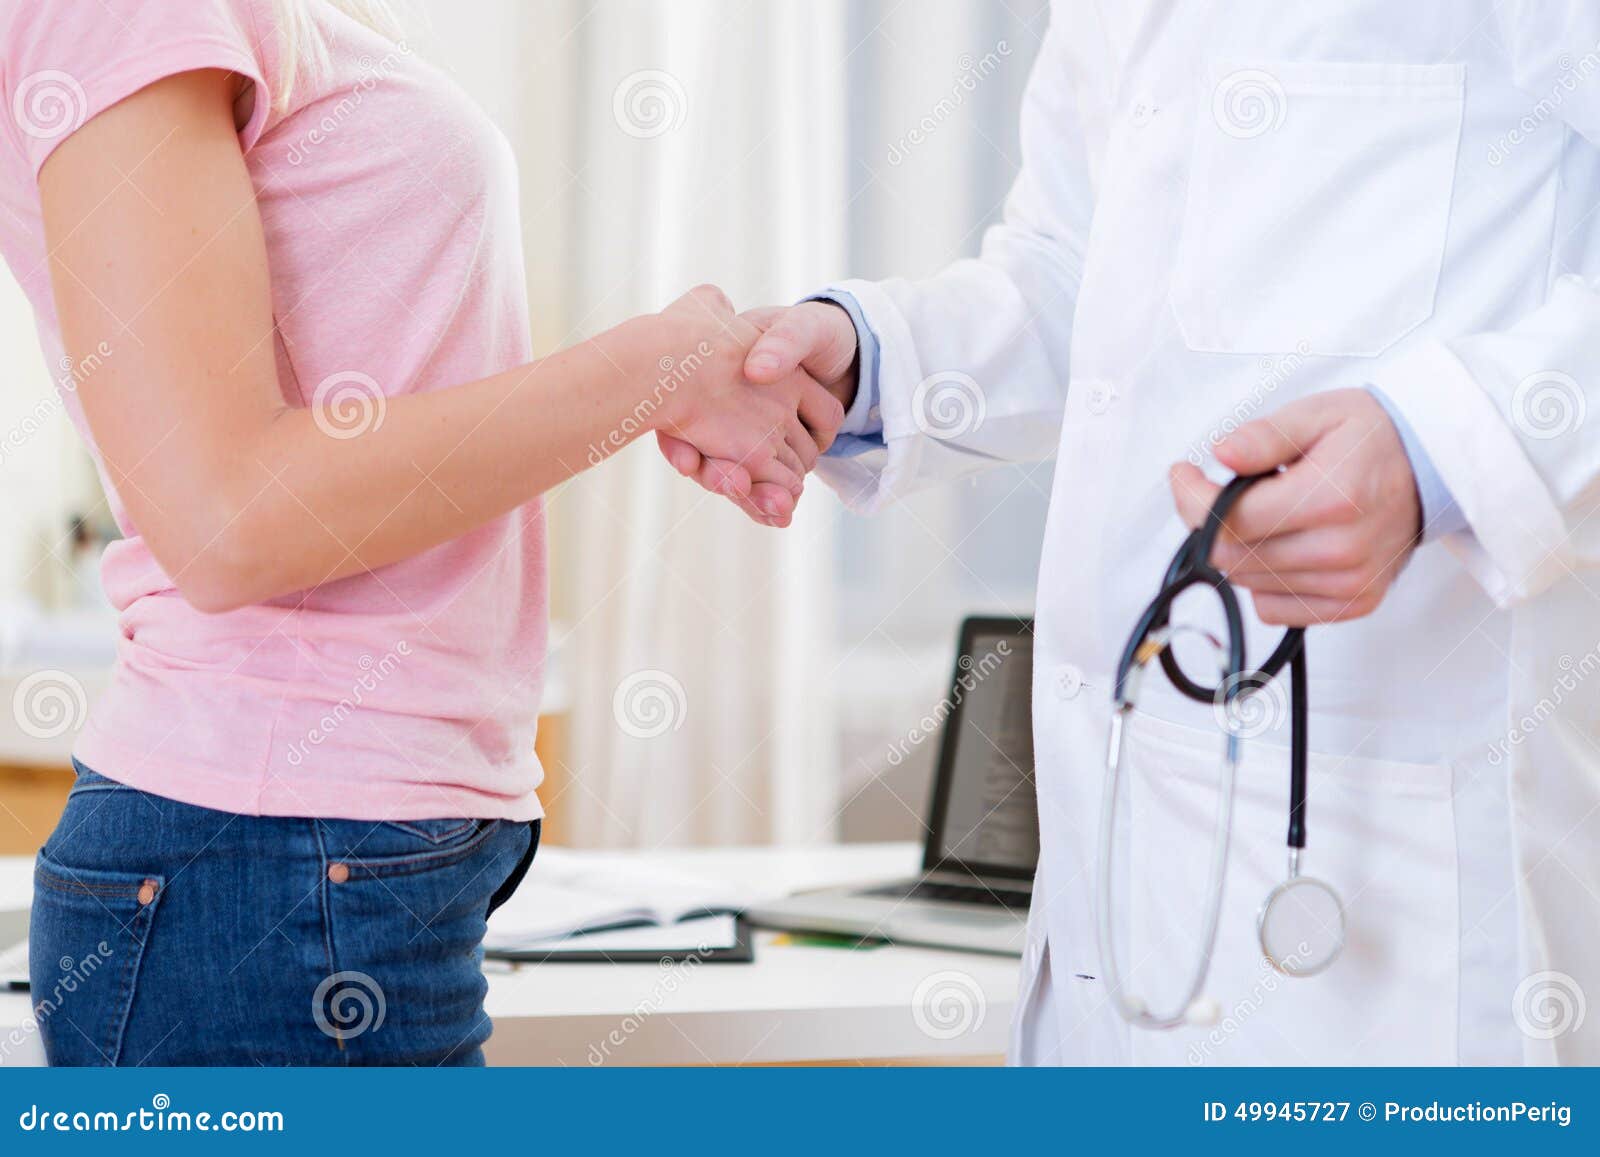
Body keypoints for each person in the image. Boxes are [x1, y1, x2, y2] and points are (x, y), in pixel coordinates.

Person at [665, 1, 1600, 1064]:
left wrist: (1440, 450)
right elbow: (1078, 272)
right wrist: (871, 359)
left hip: (1404, 903)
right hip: (1125, 870)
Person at [1, 0, 841, 1065]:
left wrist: (683, 375)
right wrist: (651, 368)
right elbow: (226, 519)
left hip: (338, 855)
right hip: (269, 857)